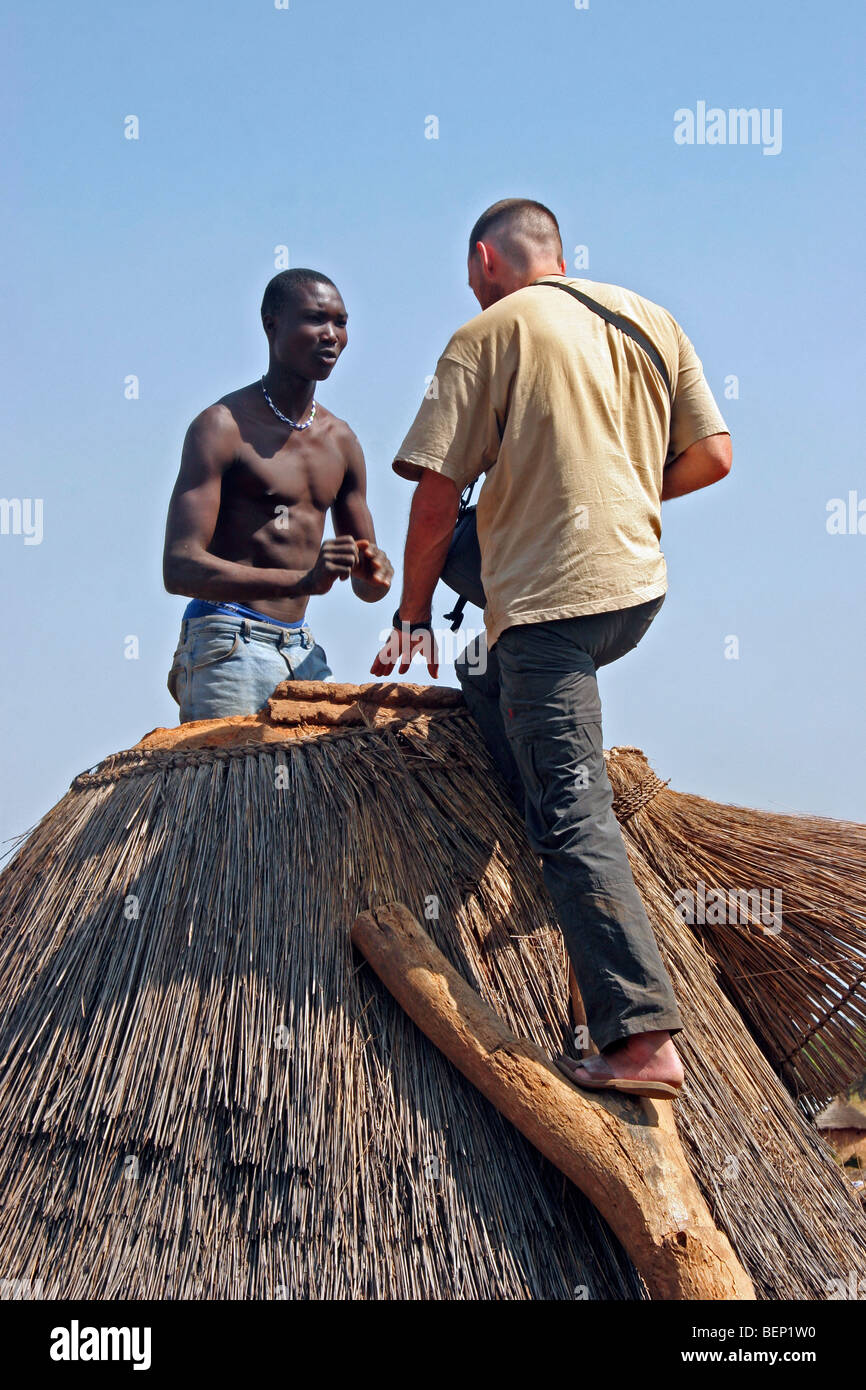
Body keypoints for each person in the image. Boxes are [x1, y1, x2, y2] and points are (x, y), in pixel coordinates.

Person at [371, 199, 732, 1100]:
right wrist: (615, 496)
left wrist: (411, 612)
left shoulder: (487, 332)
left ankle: (641, 1035)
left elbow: (429, 501)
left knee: (572, 812)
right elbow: (715, 456)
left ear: (487, 260)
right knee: (488, 673)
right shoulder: (650, 318)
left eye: (469, 273)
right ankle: (512, 750)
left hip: (551, 608)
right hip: (635, 590)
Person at [163, 269, 393, 722]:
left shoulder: (341, 440)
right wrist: (302, 581)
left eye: (341, 323)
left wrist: (376, 574)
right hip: (227, 639)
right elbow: (179, 567)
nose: (332, 336)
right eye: (315, 320)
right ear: (271, 325)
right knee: (227, 792)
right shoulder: (222, 426)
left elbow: (366, 583)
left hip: (302, 650)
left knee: (322, 792)